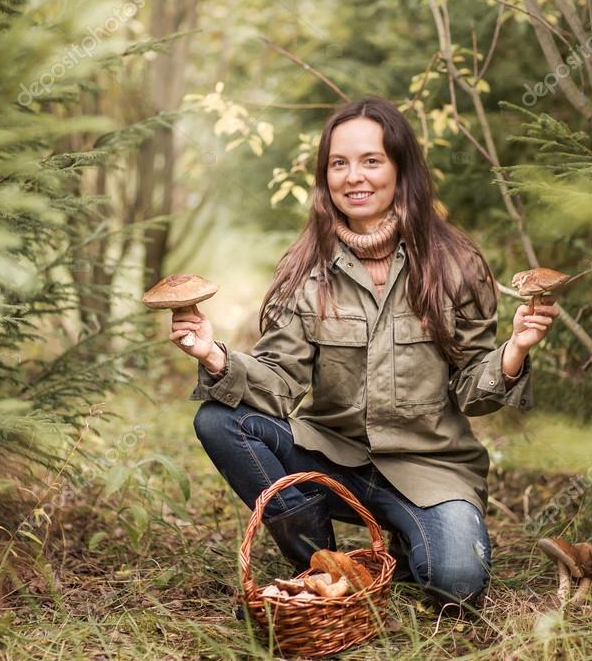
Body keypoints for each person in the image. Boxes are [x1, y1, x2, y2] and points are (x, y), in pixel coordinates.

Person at [170, 96, 558, 614]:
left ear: (401, 168)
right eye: (339, 163)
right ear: (325, 176)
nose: (354, 177)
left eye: (371, 160)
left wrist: (515, 350)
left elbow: (473, 391)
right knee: (220, 421)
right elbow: (279, 381)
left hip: (430, 468)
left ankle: (404, 536)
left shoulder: (456, 264)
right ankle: (319, 565)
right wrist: (214, 357)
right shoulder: (304, 269)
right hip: (334, 457)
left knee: (457, 587)